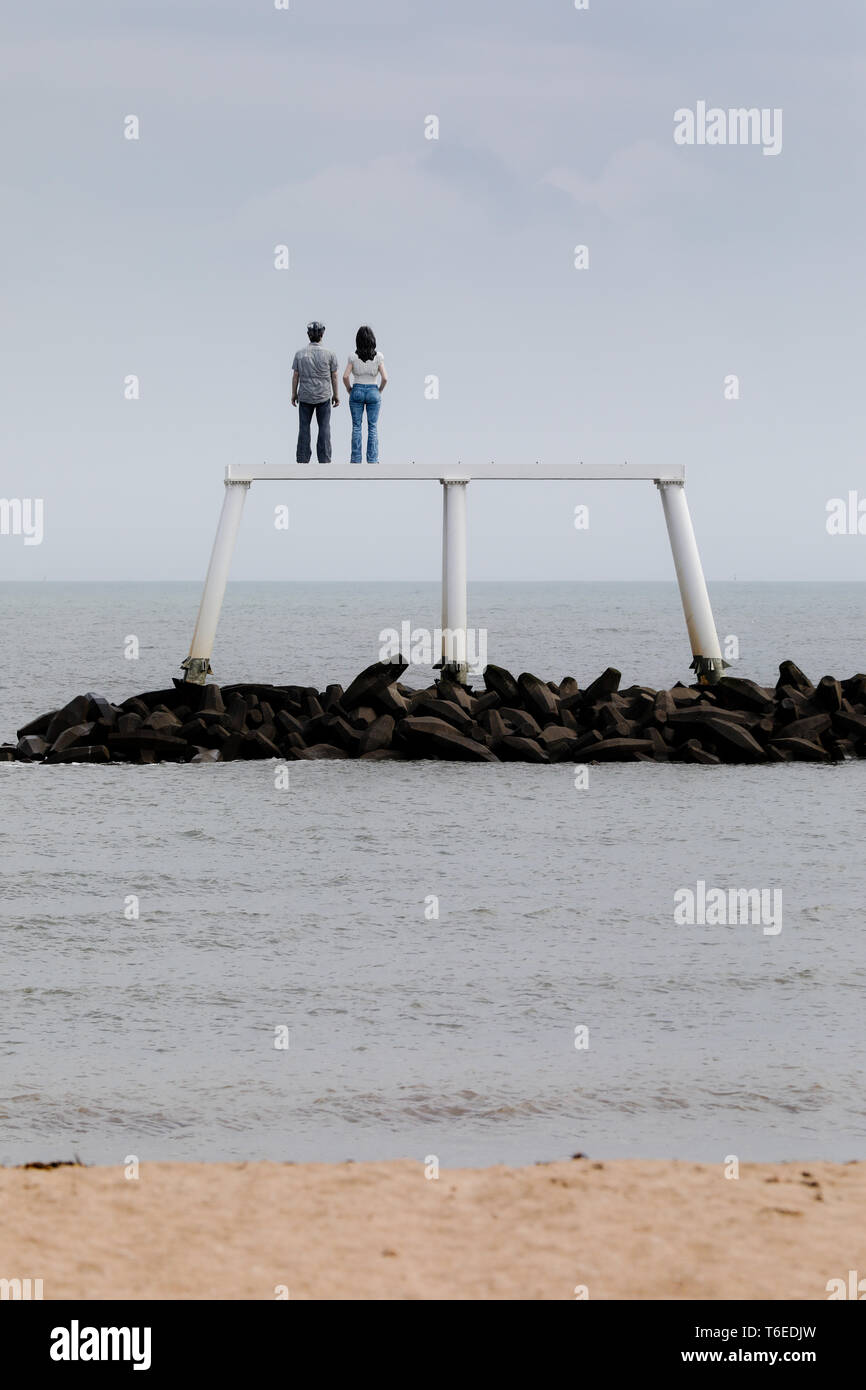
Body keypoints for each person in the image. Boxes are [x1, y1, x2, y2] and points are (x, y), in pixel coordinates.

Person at [292, 321, 340, 463]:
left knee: (304, 427)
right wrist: (336, 395)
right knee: (324, 427)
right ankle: (324, 458)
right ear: (322, 334)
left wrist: (293, 394)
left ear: (308, 335)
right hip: (323, 396)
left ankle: (302, 458)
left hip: (305, 395)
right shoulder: (330, 354)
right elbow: (335, 376)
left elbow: (295, 376)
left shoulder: (299, 354)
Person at [342, 326, 387, 464]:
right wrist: (379, 391)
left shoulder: (353, 357)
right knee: (372, 426)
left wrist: (349, 389)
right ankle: (372, 459)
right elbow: (385, 378)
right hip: (373, 390)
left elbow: (345, 376)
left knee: (356, 426)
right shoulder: (379, 357)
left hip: (357, 390)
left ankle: (356, 459)